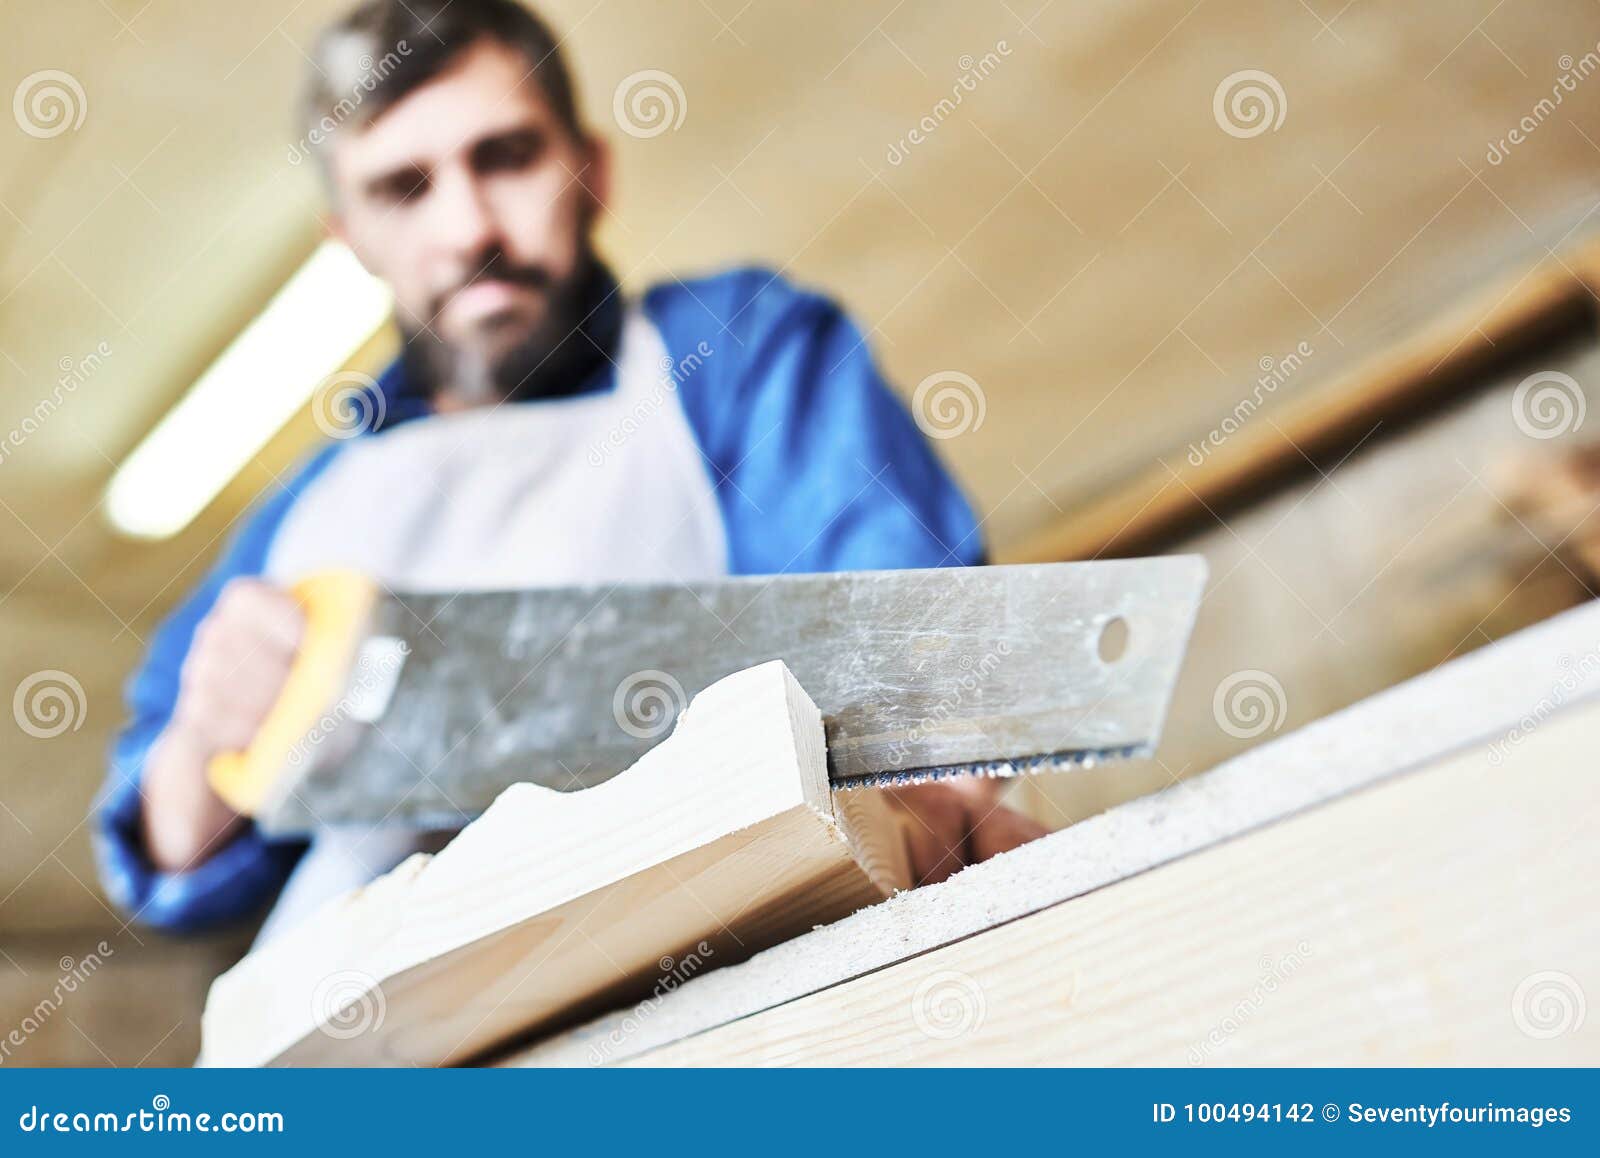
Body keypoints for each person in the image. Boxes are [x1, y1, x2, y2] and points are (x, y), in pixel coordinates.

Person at [93, 0, 1046, 938]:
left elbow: (919, 659)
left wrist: (929, 793)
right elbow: (173, 862)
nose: (470, 227)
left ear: (590, 172)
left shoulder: (734, 356)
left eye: (506, 158)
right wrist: (201, 746)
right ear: (349, 239)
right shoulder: (297, 522)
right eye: (404, 187)